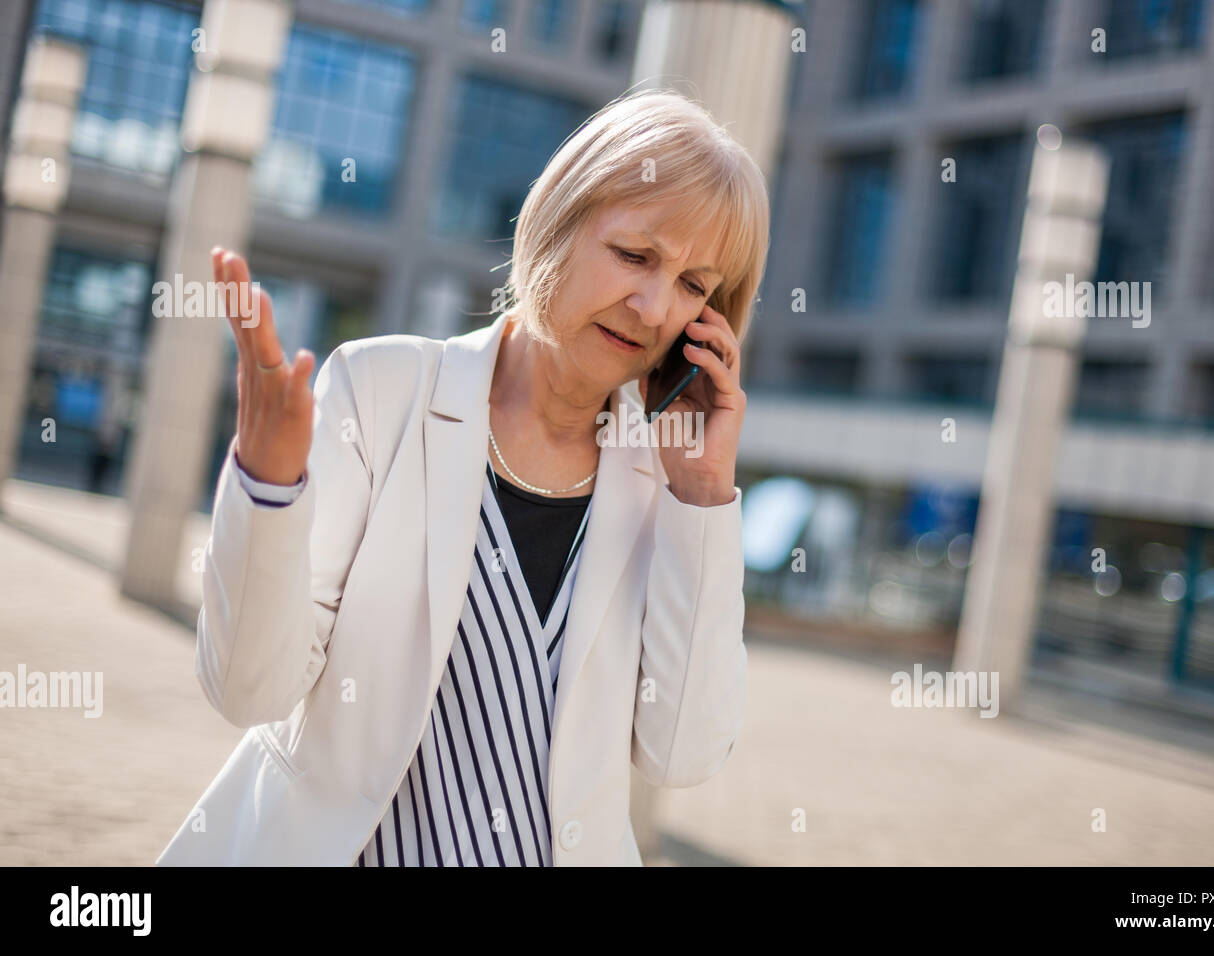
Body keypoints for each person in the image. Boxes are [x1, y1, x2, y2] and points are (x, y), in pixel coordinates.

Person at [156, 88, 770, 866]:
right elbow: (249, 690)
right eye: (636, 255)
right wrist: (267, 489)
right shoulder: (382, 392)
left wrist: (703, 499)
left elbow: (683, 753)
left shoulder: (668, 487)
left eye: (693, 285)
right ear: (558, 225)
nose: (653, 308)